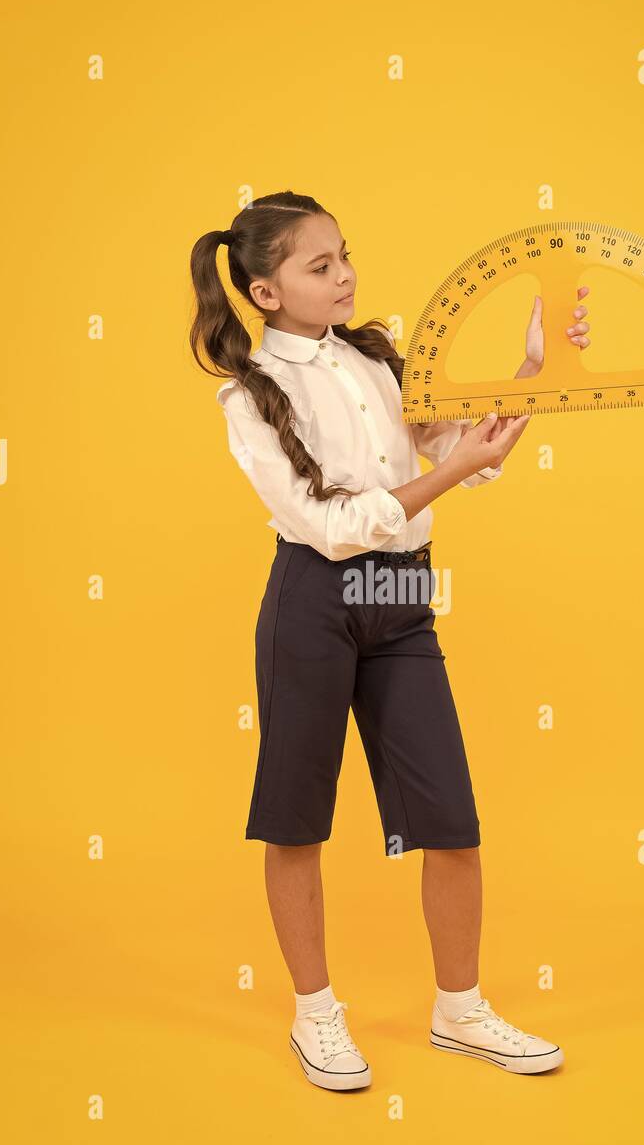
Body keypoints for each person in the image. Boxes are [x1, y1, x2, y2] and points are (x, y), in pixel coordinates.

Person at [188, 190, 590, 1090]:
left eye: (345, 256)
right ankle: (316, 1016)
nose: (345, 275)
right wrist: (451, 471)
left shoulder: (377, 358)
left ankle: (460, 1010)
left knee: (451, 815)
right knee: (296, 819)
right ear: (265, 292)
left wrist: (534, 367)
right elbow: (331, 525)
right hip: (314, 602)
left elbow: (462, 448)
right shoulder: (249, 395)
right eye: (319, 265)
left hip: (403, 597)